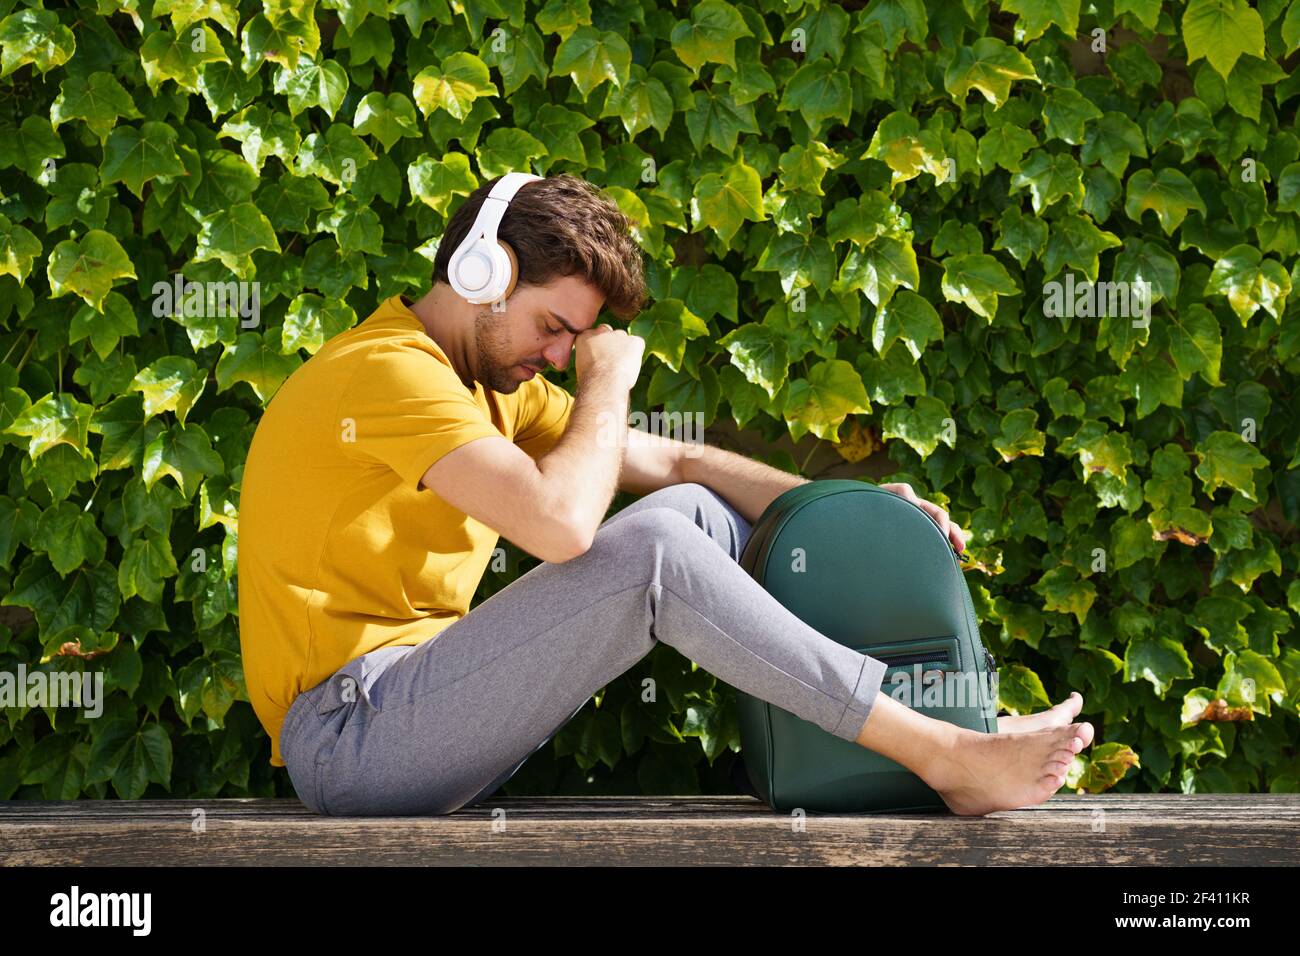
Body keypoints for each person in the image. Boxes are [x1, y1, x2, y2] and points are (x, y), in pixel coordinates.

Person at [237, 173, 1093, 818]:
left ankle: (953, 726)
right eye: (553, 328)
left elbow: (680, 463)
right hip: (352, 736)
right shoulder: (388, 373)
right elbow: (563, 526)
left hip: (419, 706)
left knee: (696, 517)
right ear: (480, 270)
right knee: (654, 555)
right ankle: (941, 753)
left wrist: (847, 510)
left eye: (577, 341)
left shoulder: (488, 390)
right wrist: (609, 380)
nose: (563, 356)